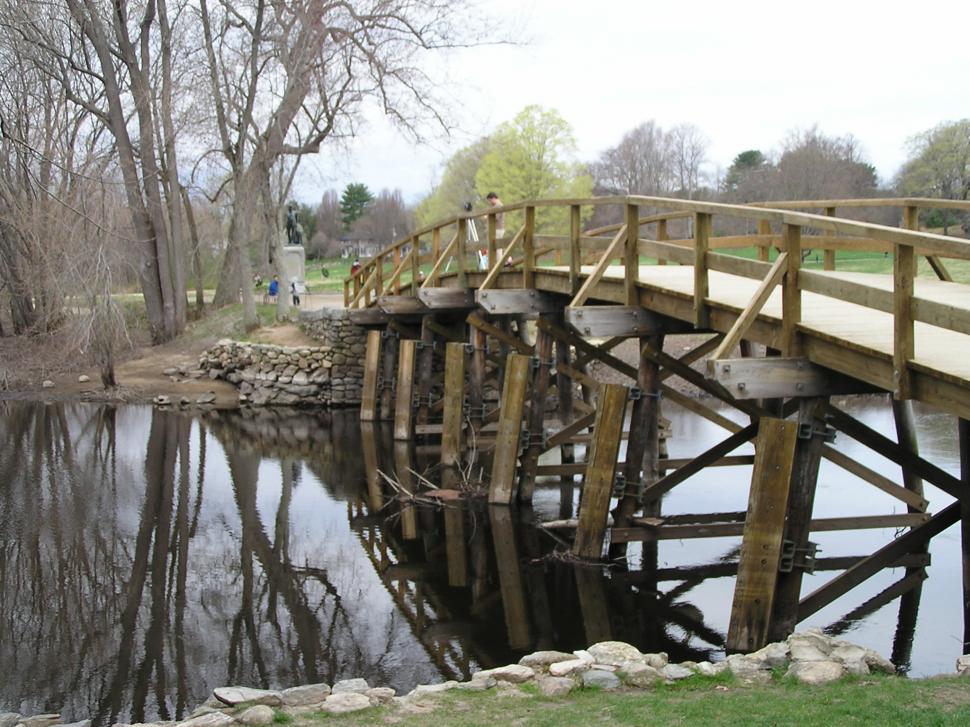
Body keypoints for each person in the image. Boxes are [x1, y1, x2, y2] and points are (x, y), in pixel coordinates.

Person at [486, 192, 506, 264]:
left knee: (497, 247)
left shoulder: (498, 206)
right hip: (499, 229)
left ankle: (498, 263)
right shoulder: (499, 205)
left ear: (493, 198)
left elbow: (496, 217)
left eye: (489, 200)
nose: (490, 202)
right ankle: (498, 263)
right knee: (498, 247)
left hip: (498, 229)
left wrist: (487, 217)